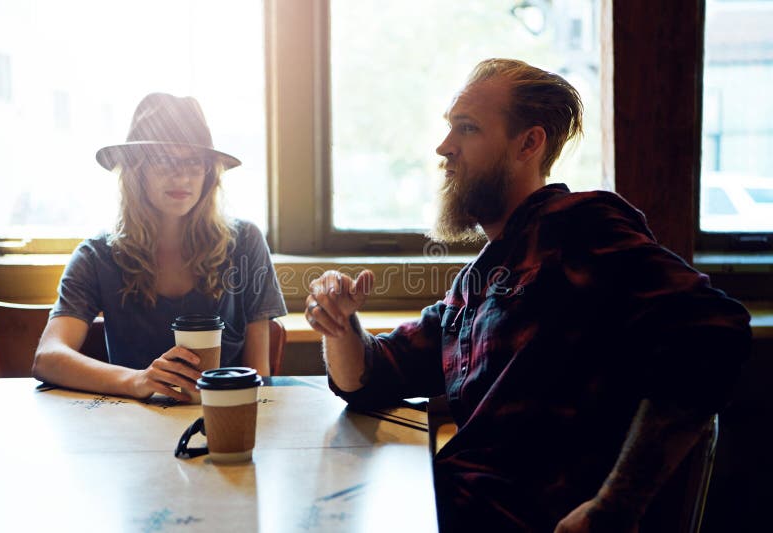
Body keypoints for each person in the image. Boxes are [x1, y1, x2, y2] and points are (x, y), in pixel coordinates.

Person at [304, 59, 752, 532]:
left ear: (529, 143)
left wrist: (615, 506)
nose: (444, 147)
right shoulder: (475, 283)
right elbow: (368, 377)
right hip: (448, 508)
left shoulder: (581, 226)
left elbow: (713, 329)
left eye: (467, 128)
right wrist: (340, 323)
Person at [33, 93, 286, 402]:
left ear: (209, 174)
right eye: (164, 160)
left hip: (222, 417)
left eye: (193, 162)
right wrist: (138, 380)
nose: (181, 175)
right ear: (136, 171)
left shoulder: (245, 242)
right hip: (131, 424)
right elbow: (47, 356)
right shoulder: (97, 255)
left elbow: (259, 374)